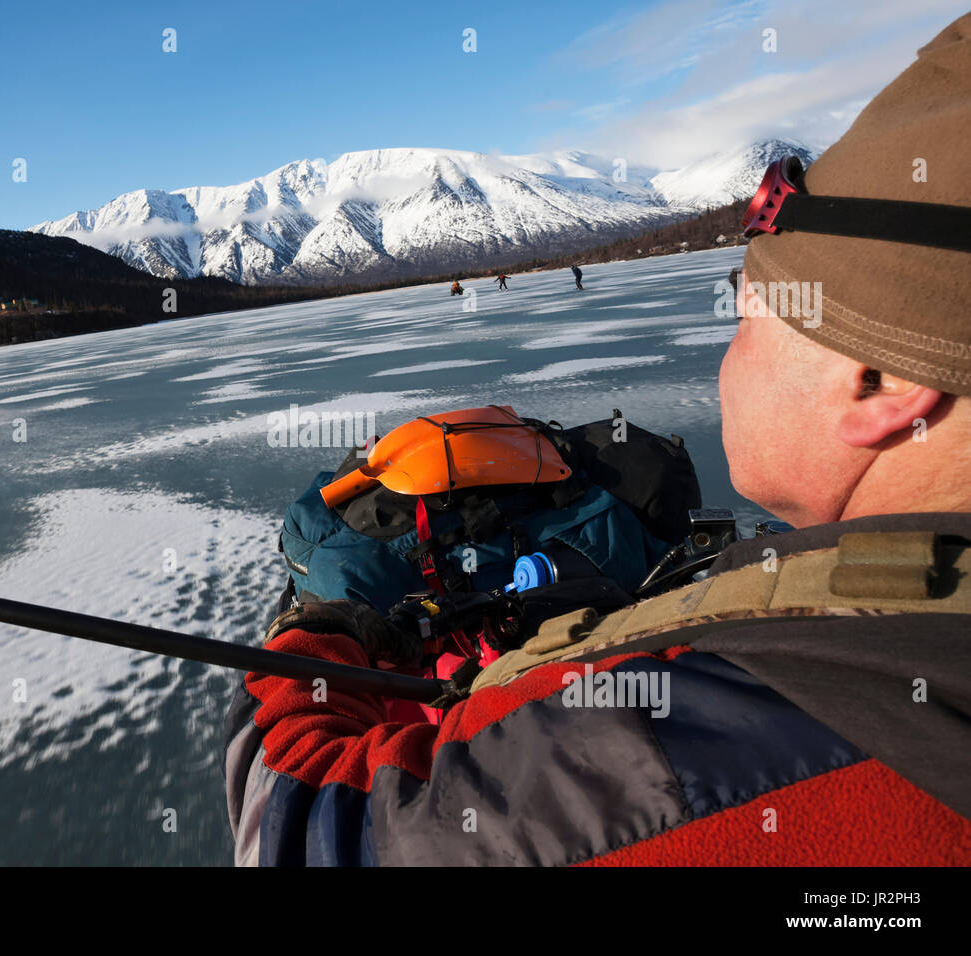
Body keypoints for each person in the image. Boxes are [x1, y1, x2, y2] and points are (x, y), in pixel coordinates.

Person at [225, 14, 971, 866]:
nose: (731, 325)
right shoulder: (897, 619)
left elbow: (301, 830)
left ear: (882, 383)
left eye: (750, 296)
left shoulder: (687, 751)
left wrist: (316, 630)